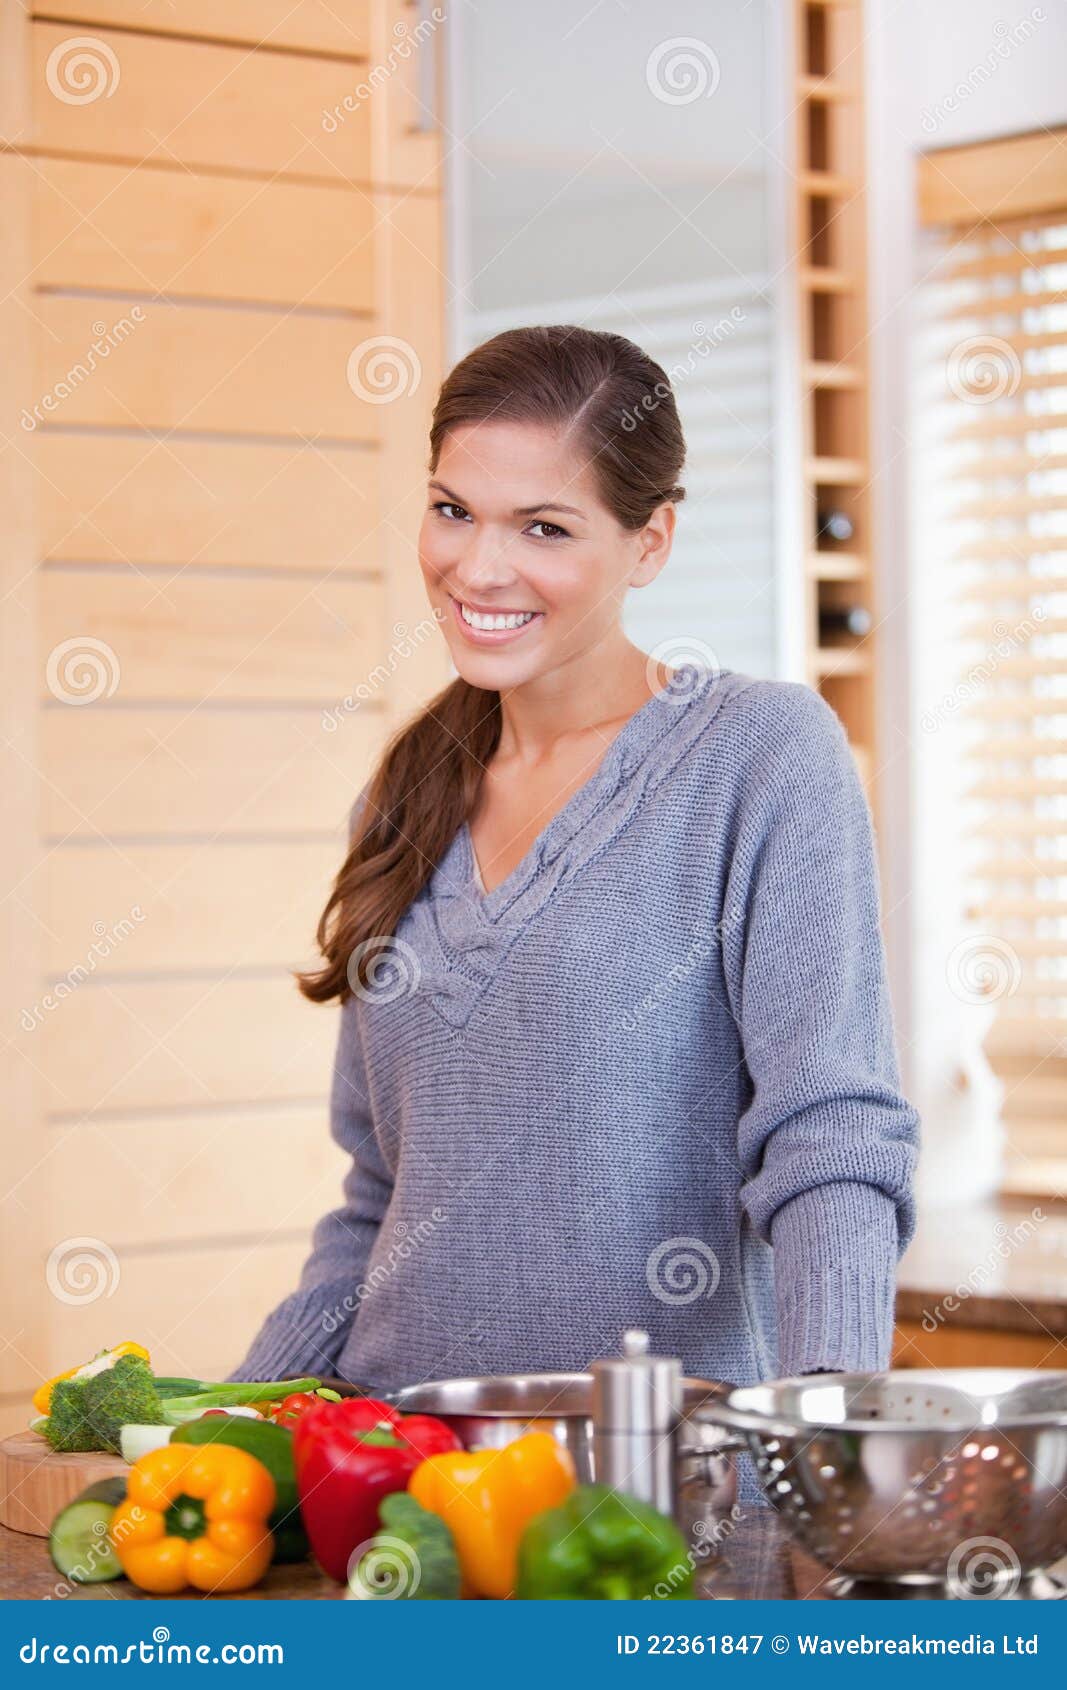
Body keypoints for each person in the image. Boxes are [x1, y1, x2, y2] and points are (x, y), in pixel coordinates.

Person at [231, 324, 919, 1416]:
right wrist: (225, 1418)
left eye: (543, 527)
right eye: (452, 509)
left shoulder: (759, 758)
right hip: (401, 1474)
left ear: (650, 543)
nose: (477, 567)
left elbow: (829, 1136)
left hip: (660, 1479)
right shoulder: (403, 796)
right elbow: (378, 1199)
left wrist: (830, 1425)